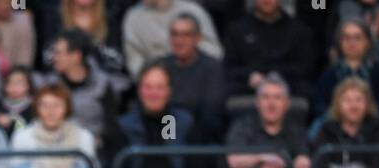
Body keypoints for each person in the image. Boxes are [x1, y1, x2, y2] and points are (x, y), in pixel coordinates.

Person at [48, 28, 120, 154]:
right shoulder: (50, 84)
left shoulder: (102, 84)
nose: (54, 58)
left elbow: (111, 125)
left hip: (93, 151)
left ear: (76, 56)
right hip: (55, 149)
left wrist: (97, 140)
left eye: (58, 53)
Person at [223, 0, 313, 100]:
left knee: (307, 91)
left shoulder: (299, 30)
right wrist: (250, 75)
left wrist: (276, 76)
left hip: (288, 83)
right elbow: (230, 66)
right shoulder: (237, 29)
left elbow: (304, 66)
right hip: (248, 85)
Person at [159, 12, 224, 142]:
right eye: (175, 34)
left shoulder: (212, 67)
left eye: (186, 35)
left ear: (197, 38)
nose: (179, 40)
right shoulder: (160, 67)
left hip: (200, 137)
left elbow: (212, 112)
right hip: (167, 133)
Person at [315, 19, 379, 121]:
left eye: (357, 38)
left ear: (368, 42)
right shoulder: (329, 75)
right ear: (339, 42)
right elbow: (319, 105)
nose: (351, 43)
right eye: (346, 38)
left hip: (374, 125)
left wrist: (363, 114)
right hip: (336, 125)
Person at [121, 0, 221, 79]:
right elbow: (134, 62)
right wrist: (151, 78)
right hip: (156, 85)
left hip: (194, 79)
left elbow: (214, 52)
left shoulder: (194, 11)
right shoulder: (133, 17)